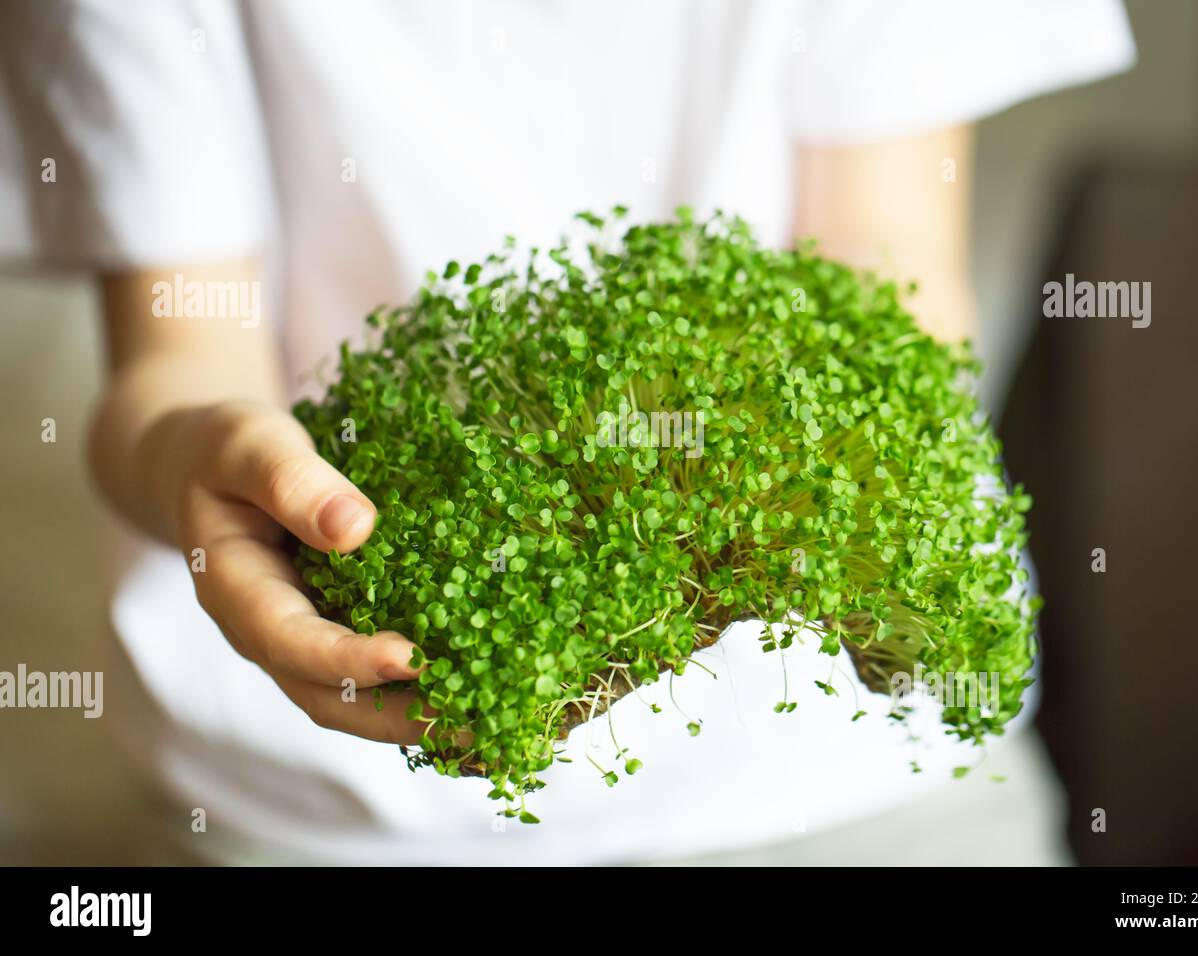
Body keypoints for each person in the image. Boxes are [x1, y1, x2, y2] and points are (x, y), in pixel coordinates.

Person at [0, 0, 1135, 865]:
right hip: (329, 809)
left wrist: (762, 510)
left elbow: (888, 277)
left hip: (855, 779)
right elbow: (175, 369)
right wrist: (207, 461)